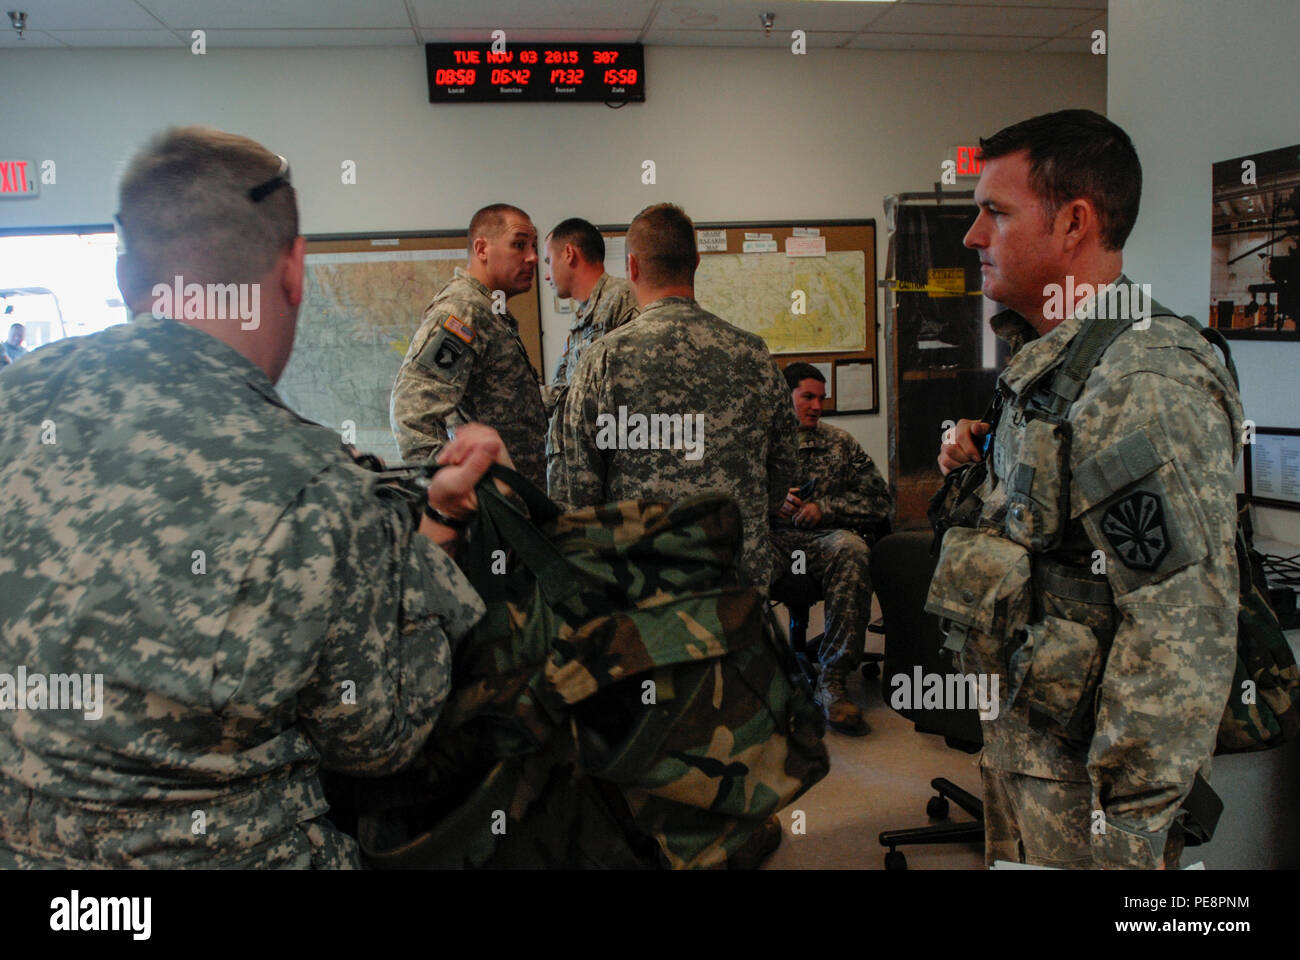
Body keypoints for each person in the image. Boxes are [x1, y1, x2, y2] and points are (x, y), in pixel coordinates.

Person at [0, 127, 509, 869]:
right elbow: (378, 738)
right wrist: (439, 528)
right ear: (294, 270)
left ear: (125, 279)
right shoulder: (319, 485)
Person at [933, 109, 1242, 869]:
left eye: (995, 213)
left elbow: (1179, 632)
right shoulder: (1054, 361)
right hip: (1029, 748)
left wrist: (1130, 835)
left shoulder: (1142, 380)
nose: (973, 236)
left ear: (1075, 222)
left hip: (1088, 796)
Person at [551, 202, 797, 590]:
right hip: (734, 578)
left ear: (631, 267)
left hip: (643, 581)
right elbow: (783, 466)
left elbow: (575, 486)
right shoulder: (754, 355)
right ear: (696, 261)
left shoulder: (603, 359)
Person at [391, 203, 548, 488]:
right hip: (495, 506)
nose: (533, 258)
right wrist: (454, 491)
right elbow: (412, 414)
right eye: (519, 245)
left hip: (517, 498)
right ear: (482, 249)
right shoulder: (463, 311)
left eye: (534, 246)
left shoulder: (490, 309)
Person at [773, 363, 892, 736]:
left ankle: (833, 682)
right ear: (784, 396)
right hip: (772, 540)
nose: (816, 406)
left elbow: (881, 502)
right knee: (733, 557)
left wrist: (824, 508)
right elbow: (726, 499)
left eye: (821, 398)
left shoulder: (840, 444)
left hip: (821, 541)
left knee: (852, 548)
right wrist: (770, 501)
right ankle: (752, 680)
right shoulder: (757, 443)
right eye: (807, 397)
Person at [542, 217, 639, 491]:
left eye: (548, 261)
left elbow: (627, 393)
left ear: (569, 254)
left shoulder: (621, 299)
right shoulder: (585, 313)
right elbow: (570, 391)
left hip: (609, 472)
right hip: (580, 470)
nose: (547, 275)